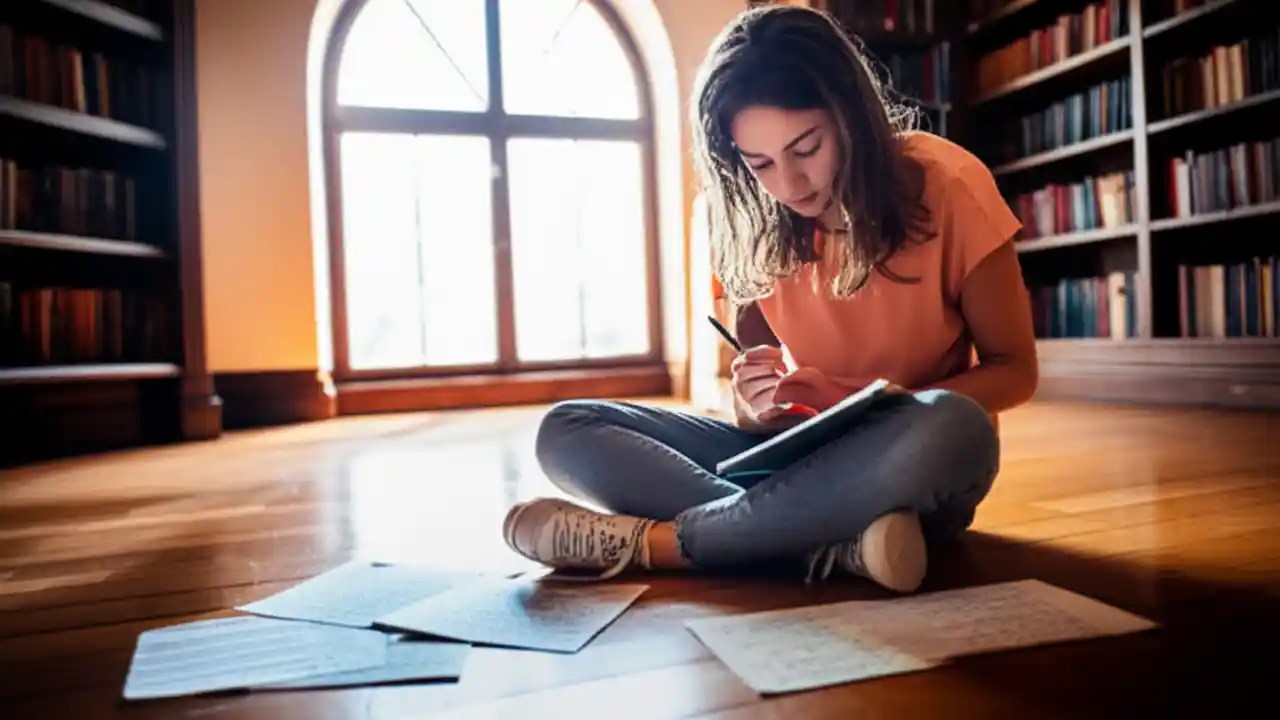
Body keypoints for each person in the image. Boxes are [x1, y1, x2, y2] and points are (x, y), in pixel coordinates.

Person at [501, 4, 1038, 593]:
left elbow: (1015, 372)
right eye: (760, 164)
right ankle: (836, 546)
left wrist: (874, 402)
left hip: (897, 463)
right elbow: (750, 405)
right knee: (567, 428)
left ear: (850, 115)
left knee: (958, 427)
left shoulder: (948, 185)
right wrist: (755, 403)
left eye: (806, 148)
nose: (790, 185)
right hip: (795, 461)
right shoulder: (754, 219)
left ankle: (667, 546)